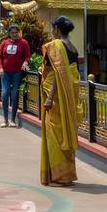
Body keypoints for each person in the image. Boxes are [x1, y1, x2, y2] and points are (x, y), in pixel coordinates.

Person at [40, 16, 80, 187]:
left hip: (56, 98)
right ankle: (67, 174)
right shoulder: (73, 48)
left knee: (54, 134)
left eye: (52, 27)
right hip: (68, 97)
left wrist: (49, 98)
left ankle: (59, 175)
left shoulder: (55, 46)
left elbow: (57, 74)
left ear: (56, 28)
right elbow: (71, 75)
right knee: (65, 132)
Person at [0, 24, 32, 128]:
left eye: (16, 32)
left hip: (17, 73)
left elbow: (28, 56)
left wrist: (25, 62)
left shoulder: (23, 43)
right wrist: (0, 67)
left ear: (19, 33)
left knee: (15, 94)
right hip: (5, 73)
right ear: (9, 33)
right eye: (12, 33)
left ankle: (13, 120)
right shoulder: (4, 43)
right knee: (5, 93)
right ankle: (5, 120)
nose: (14, 34)